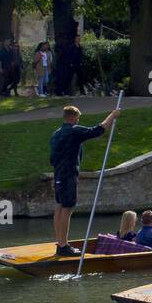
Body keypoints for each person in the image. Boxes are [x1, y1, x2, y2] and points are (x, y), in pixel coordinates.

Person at [49, 103, 122, 256]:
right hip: (68, 175)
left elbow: (52, 158)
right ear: (74, 117)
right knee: (67, 209)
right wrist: (113, 115)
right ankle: (63, 246)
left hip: (58, 175)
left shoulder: (56, 134)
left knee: (59, 207)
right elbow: (98, 130)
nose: (78, 121)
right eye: (77, 118)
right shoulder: (74, 131)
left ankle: (60, 243)